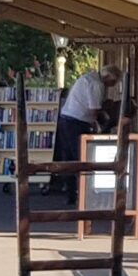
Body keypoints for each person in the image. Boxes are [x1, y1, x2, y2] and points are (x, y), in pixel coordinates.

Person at [53, 66, 120, 197]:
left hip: (66, 118)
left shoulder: (88, 78)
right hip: (77, 122)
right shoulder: (97, 84)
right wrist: (102, 125)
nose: (113, 86)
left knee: (70, 157)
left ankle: (71, 192)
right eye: (114, 82)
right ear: (108, 77)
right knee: (81, 156)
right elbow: (94, 109)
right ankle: (84, 192)